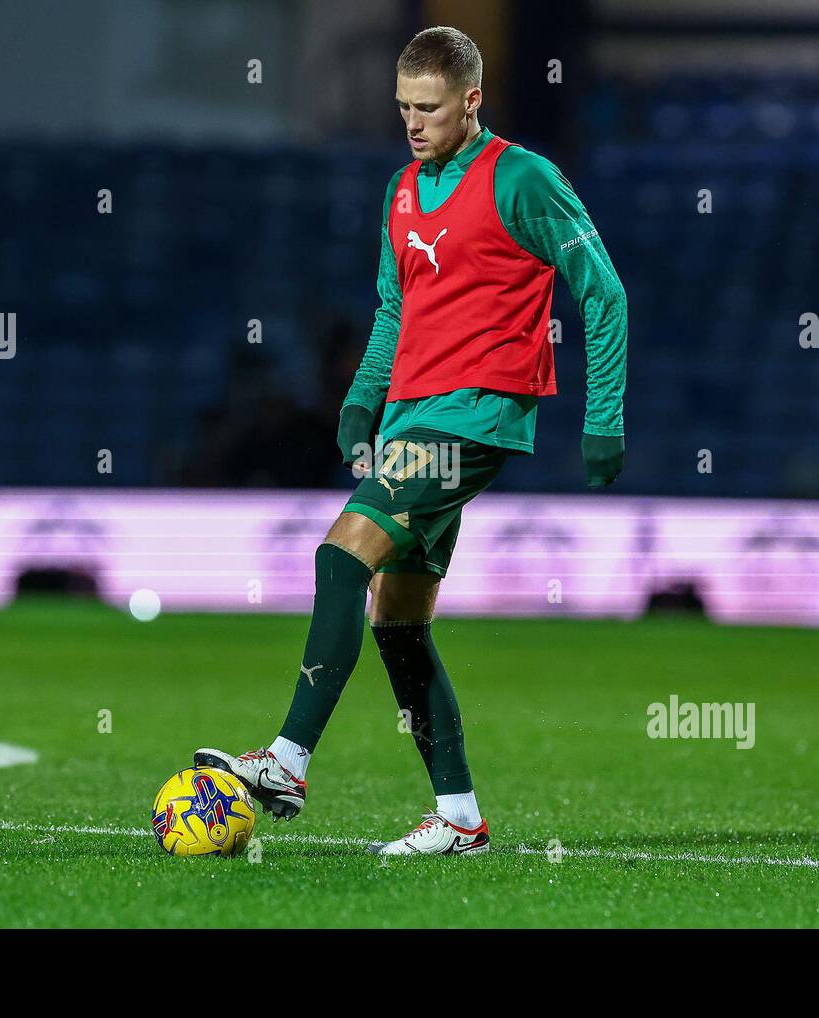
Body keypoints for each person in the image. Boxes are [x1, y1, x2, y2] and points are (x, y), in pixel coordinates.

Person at [196, 25, 628, 855]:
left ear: (472, 100)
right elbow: (397, 314)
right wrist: (362, 402)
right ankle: (460, 816)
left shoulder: (523, 178)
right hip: (413, 419)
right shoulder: (400, 190)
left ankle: (285, 761)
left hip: (476, 416)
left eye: (429, 108)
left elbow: (602, 291)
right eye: (403, 109)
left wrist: (602, 415)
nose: (413, 124)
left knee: (338, 556)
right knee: (397, 620)